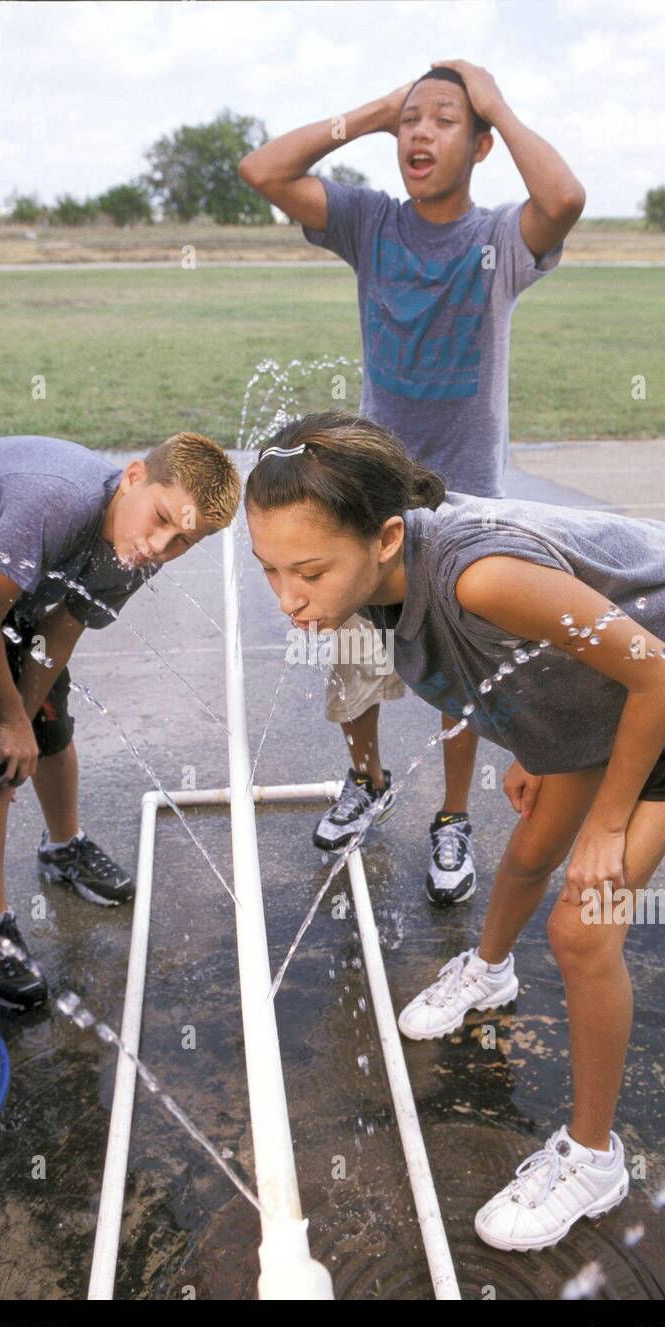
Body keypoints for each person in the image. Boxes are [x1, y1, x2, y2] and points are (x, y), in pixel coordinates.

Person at [245, 410, 665, 1252]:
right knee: (527, 849)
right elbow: (514, 665)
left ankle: (594, 1160)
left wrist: (605, 823)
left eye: (307, 571)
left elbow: (657, 672)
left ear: (384, 537)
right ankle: (486, 974)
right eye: (270, 570)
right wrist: (538, 737)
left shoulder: (479, 576)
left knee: (583, 925)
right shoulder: (379, 577)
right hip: (626, 682)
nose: (288, 598)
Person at [239, 60, 584, 905]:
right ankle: (368, 779)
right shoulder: (370, 224)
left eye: (444, 121)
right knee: (355, 653)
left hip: (463, 502)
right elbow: (264, 171)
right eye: (411, 122)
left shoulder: (500, 238)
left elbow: (566, 199)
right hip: (366, 492)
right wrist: (372, 112)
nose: (420, 135)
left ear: (483, 142)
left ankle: (452, 818)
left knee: (458, 673)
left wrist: (494, 96)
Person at [0, 432, 241, 1011]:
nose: (159, 545)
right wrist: (7, 721)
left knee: (47, 728)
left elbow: (62, 628)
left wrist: (29, 711)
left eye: (183, 541)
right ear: (135, 475)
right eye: (162, 519)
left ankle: (63, 846)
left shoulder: (138, 549)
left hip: (3, 590)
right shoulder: (57, 500)